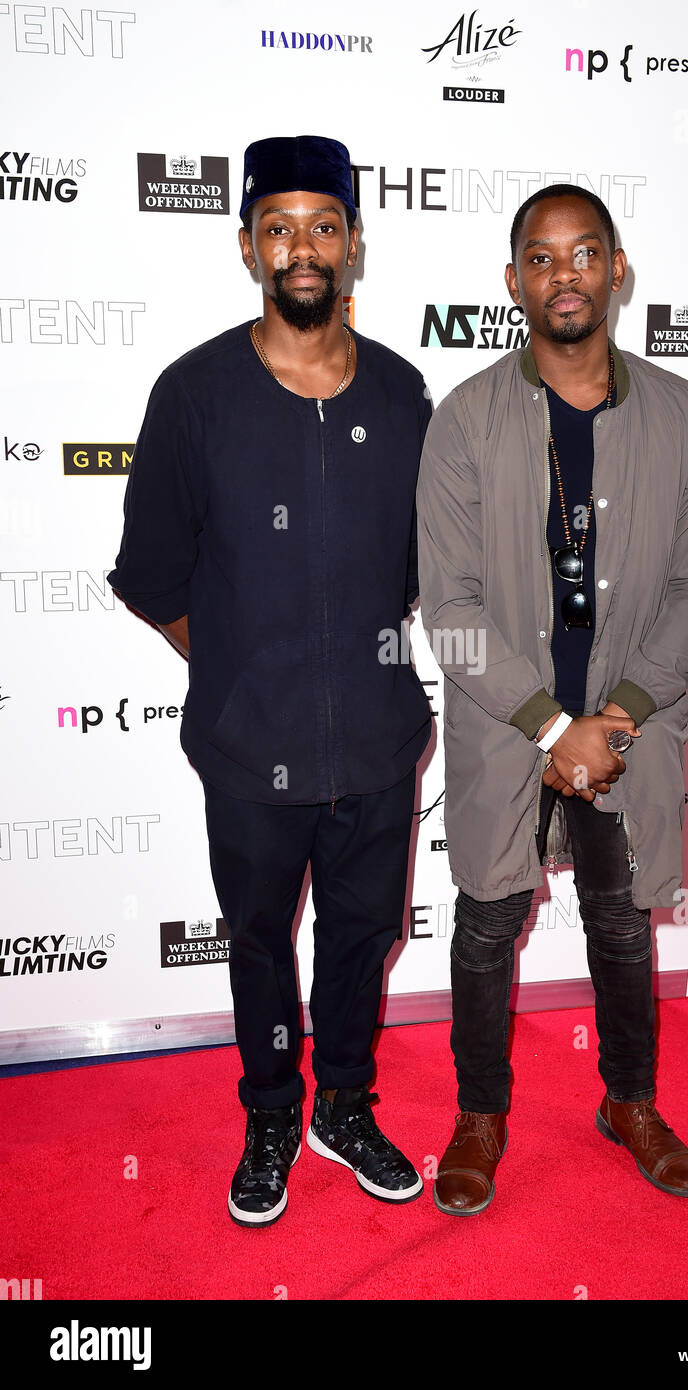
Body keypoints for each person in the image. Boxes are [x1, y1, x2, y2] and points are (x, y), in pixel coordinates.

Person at [108, 135, 433, 1226]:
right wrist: (244, 663)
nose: (302, 248)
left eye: (323, 226)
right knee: (259, 942)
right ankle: (269, 1112)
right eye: (279, 227)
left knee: (357, 937)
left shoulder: (400, 392)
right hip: (249, 746)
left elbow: (425, 572)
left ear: (353, 246)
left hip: (381, 744)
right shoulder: (194, 394)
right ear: (246, 244)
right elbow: (152, 574)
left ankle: (343, 1103)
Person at [417, 184, 688, 1215]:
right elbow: (450, 608)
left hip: (628, 726)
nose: (563, 275)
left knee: (622, 921)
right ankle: (478, 1112)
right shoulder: (463, 420)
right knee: (485, 920)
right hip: (509, 728)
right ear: (512, 281)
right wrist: (553, 727)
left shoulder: (681, 416)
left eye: (582, 253)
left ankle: (628, 1101)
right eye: (540, 258)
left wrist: (616, 716)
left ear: (616, 269)